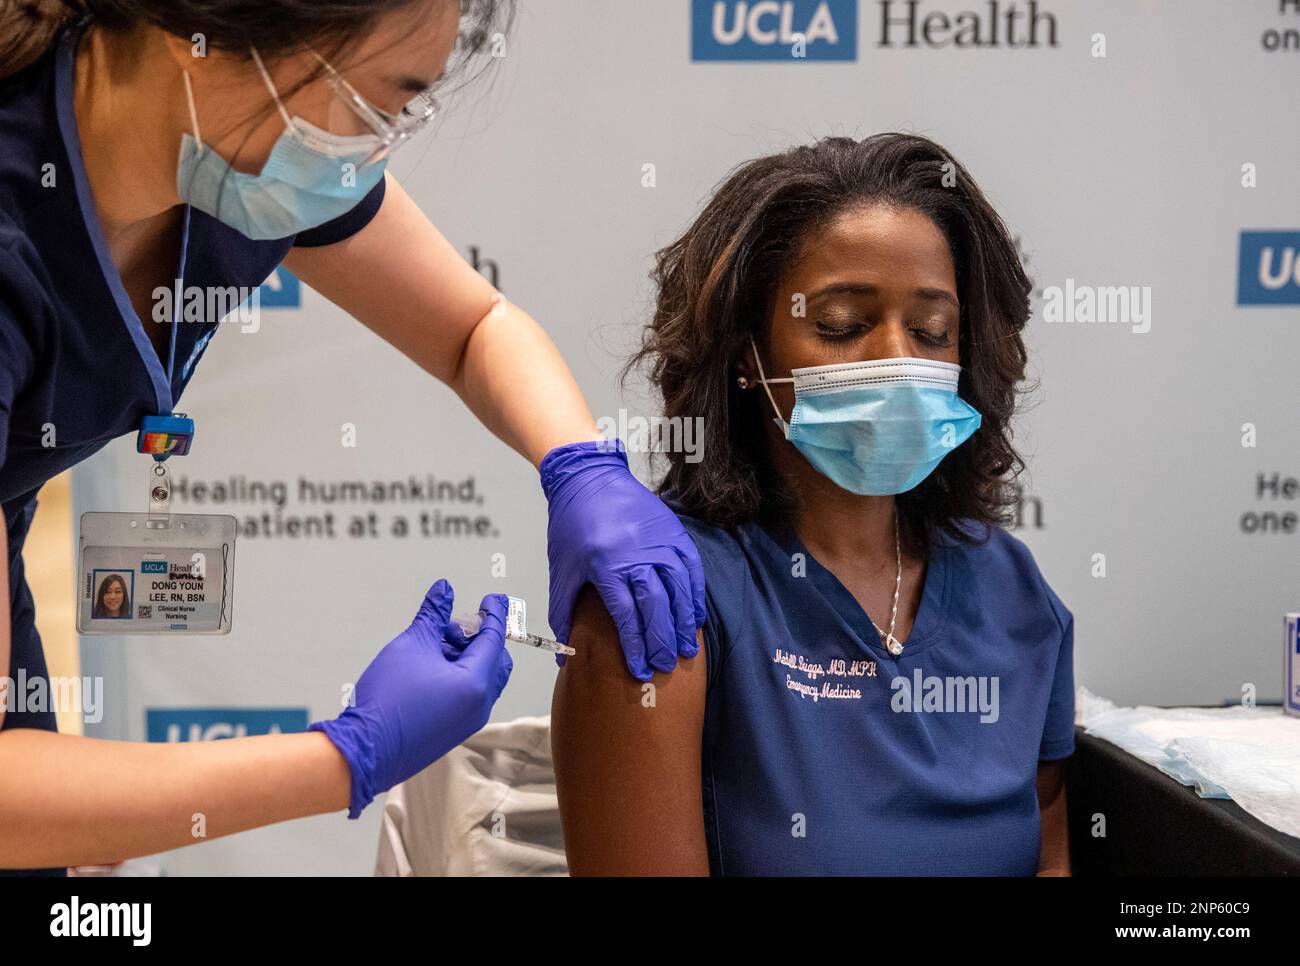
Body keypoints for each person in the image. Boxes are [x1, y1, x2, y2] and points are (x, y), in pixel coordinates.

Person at [0, 0, 704, 875]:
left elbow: (473, 328)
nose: (373, 152)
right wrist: (349, 756)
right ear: (217, 41)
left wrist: (582, 467)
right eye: (381, 104)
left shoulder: (231, 157)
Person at [552, 133, 1075, 876]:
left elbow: (1049, 854)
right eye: (841, 325)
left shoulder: (1013, 591)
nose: (895, 360)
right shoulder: (663, 597)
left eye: (932, 332)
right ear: (745, 353)